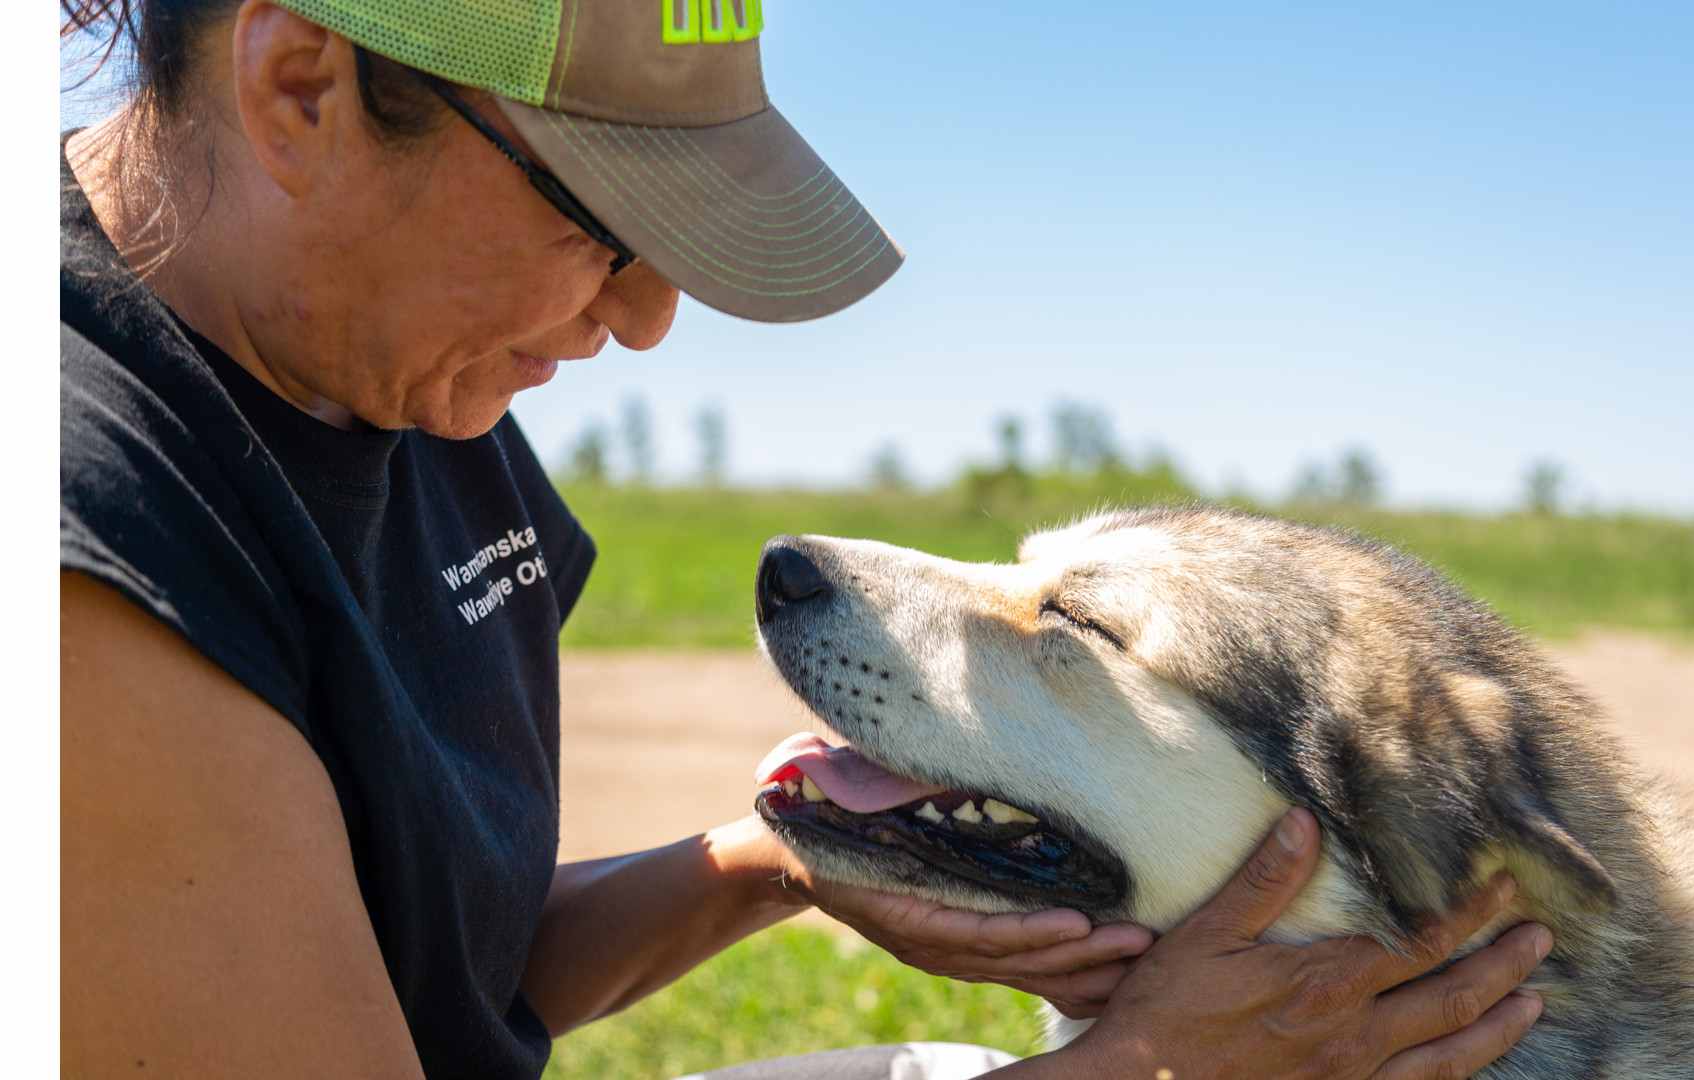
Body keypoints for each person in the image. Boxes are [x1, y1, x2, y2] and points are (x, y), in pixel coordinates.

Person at [58, 2, 1552, 1077]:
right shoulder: (81, 571)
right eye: (605, 220)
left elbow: (426, 971)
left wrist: (784, 860)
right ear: (301, 86)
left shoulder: (392, 376)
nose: (647, 320)